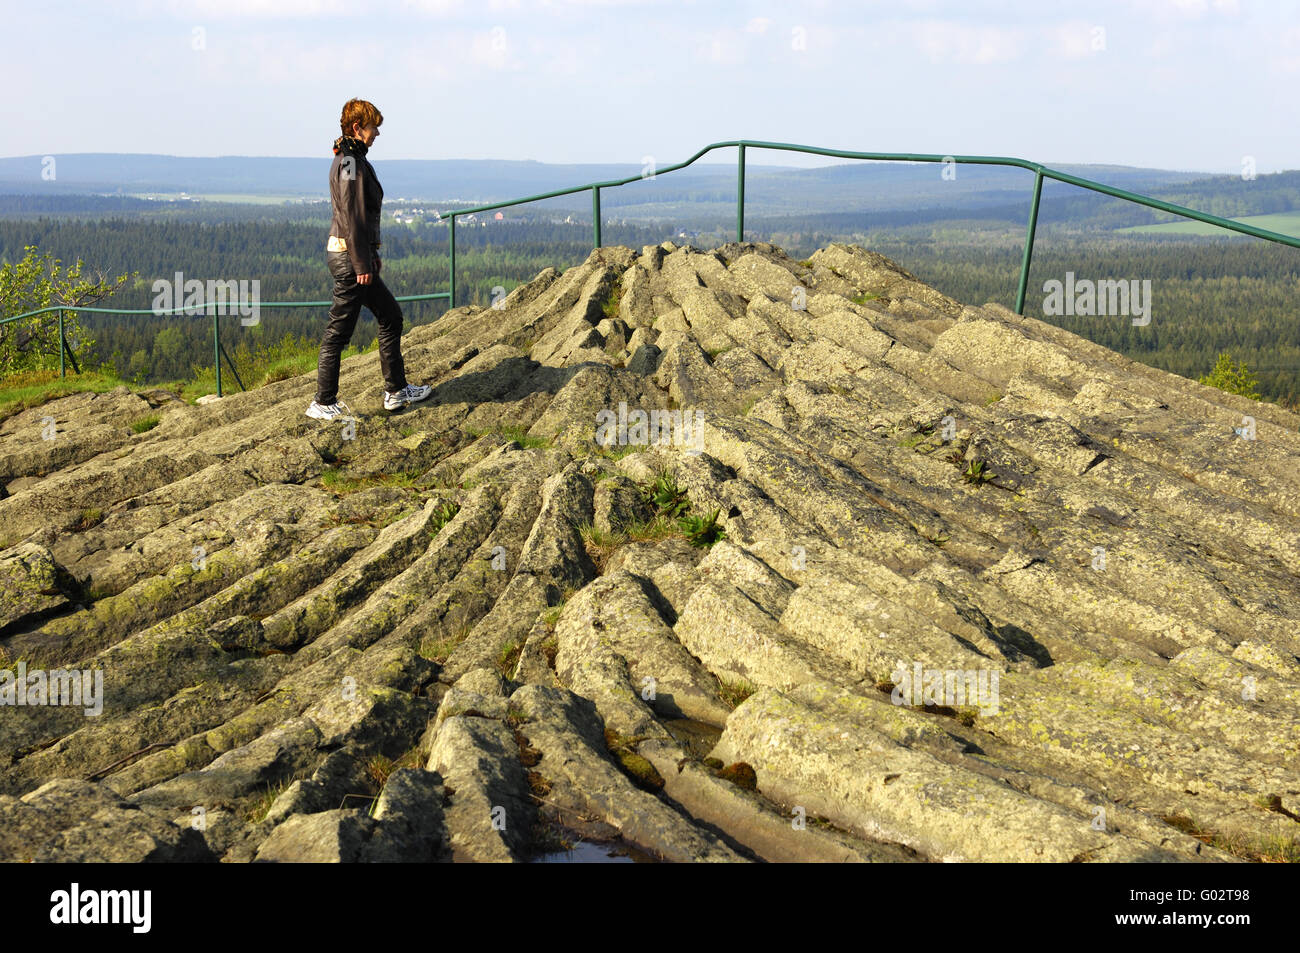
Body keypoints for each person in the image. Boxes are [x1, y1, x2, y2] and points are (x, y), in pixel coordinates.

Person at [306, 98, 431, 420]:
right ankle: (323, 401)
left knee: (390, 316)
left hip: (355, 256)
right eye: (374, 127)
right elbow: (350, 215)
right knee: (339, 332)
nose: (377, 133)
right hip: (349, 259)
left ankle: (396, 390)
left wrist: (371, 255)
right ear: (357, 128)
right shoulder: (349, 161)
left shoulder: (353, 158)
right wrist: (362, 262)